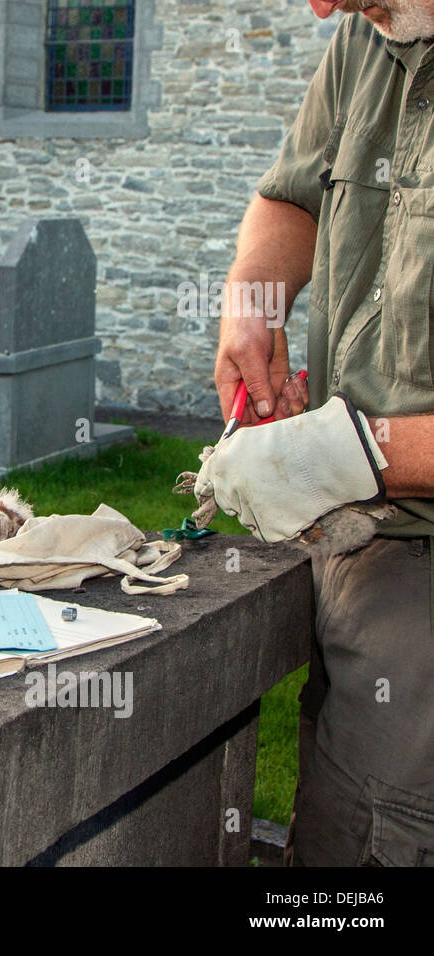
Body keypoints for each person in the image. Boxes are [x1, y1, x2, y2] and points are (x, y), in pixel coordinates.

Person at [202, 0, 434, 865]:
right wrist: (253, 306)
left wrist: (355, 452)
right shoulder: (369, 34)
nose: (324, 6)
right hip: (355, 544)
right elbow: (289, 197)